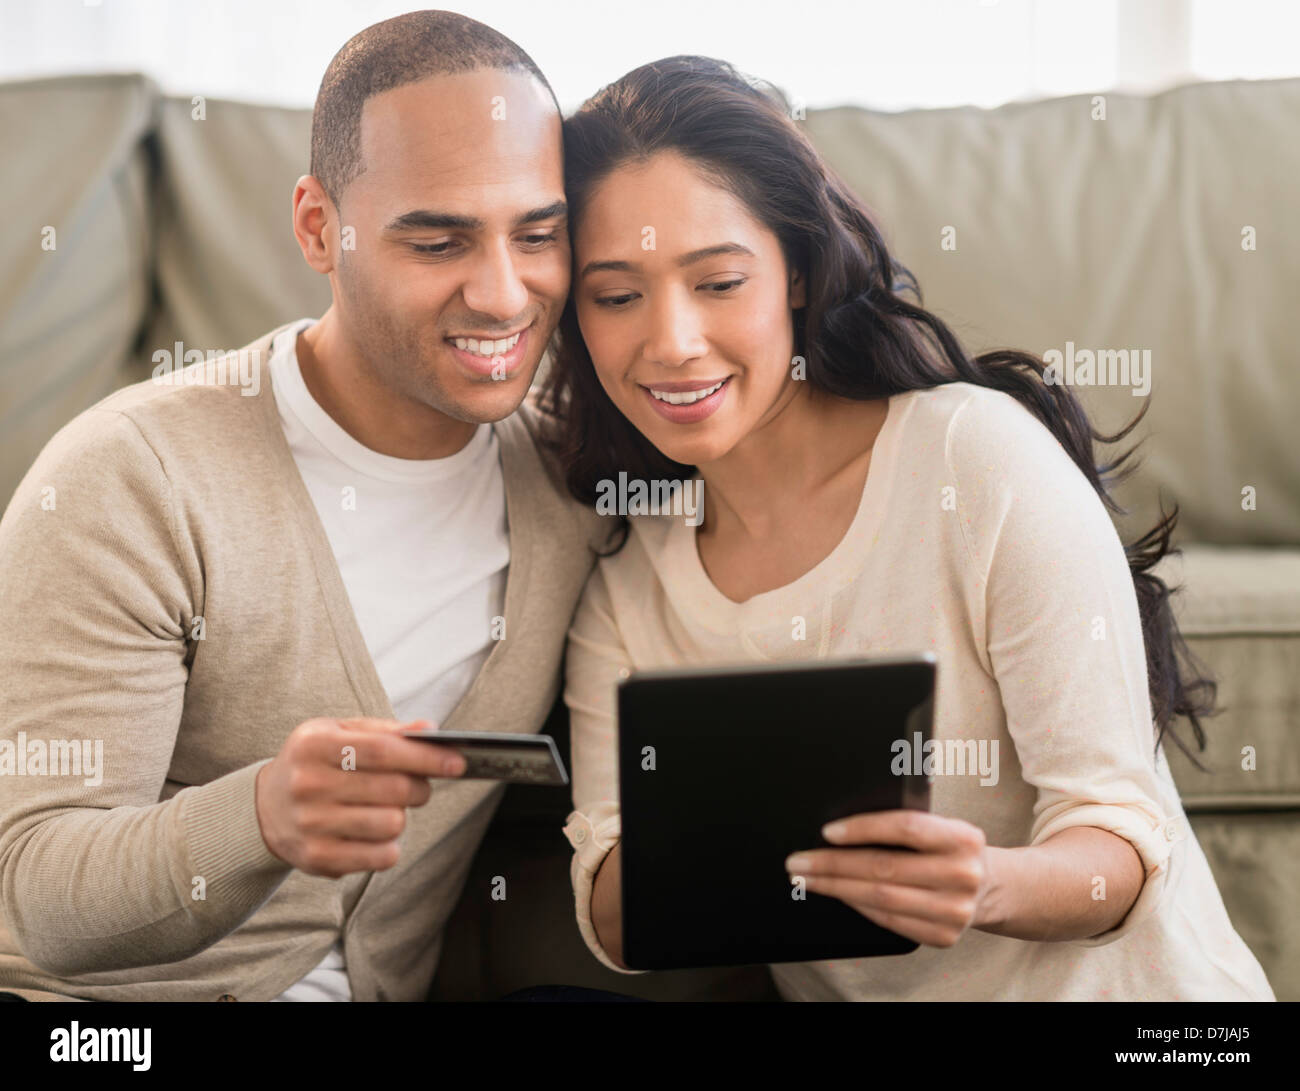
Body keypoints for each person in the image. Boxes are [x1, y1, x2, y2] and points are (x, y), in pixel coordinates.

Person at [542, 55, 1276, 1001]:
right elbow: (609, 906)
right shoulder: (626, 588)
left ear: (797, 274)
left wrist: (984, 885)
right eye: (615, 296)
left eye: (719, 282)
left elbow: (1120, 849)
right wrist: (708, 851)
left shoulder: (975, 461)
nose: (672, 341)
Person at [0, 11, 605, 1001]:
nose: (504, 293)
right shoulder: (132, 477)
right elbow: (39, 898)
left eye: (538, 234)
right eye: (439, 239)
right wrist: (265, 815)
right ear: (320, 227)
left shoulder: (573, 474)